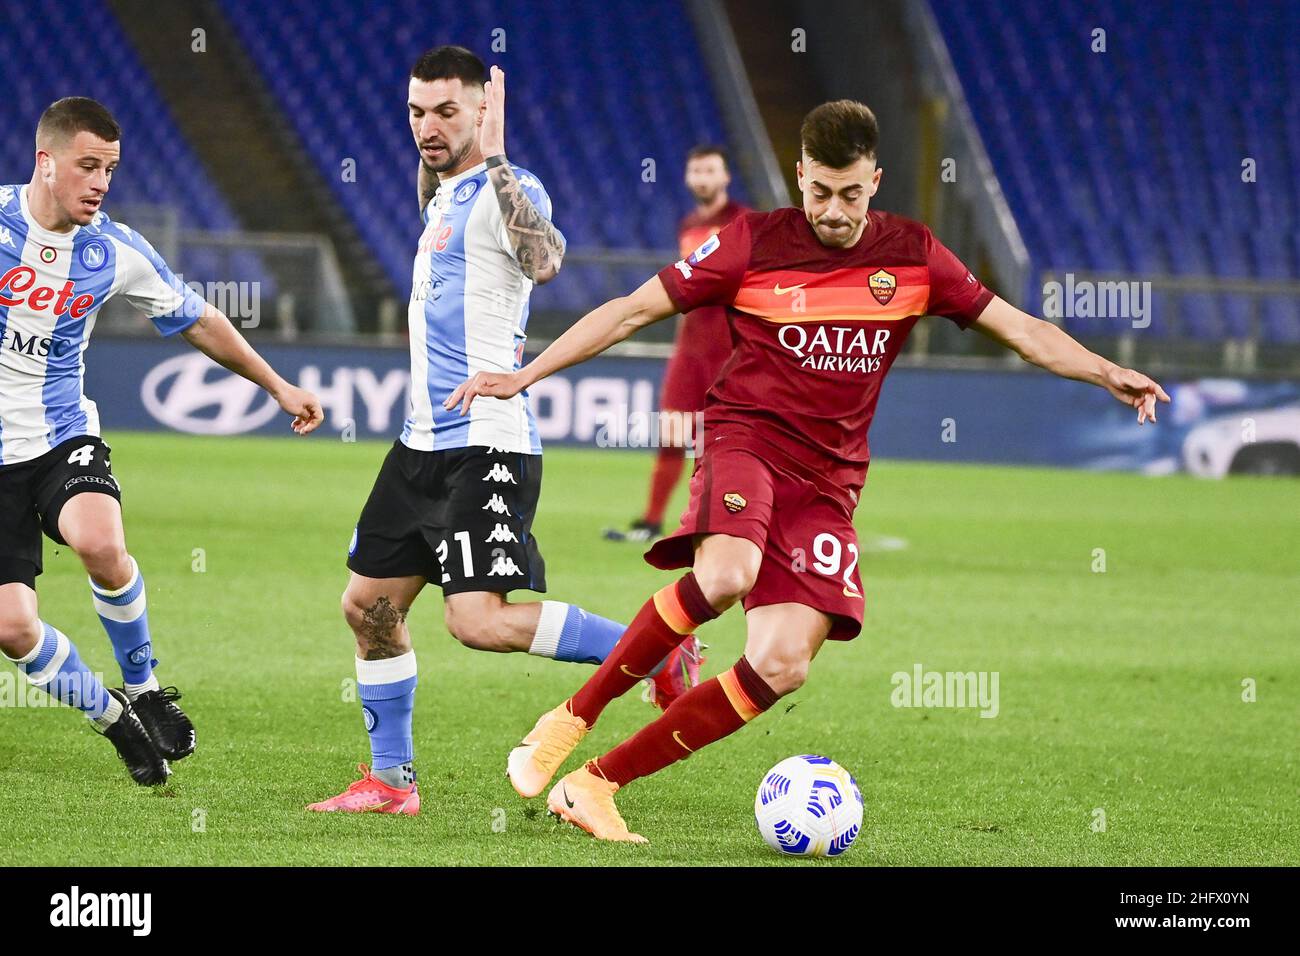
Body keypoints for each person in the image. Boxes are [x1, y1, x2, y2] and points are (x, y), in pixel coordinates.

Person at [447, 99, 1170, 842]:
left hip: (828, 484)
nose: (833, 211)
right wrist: (525, 373)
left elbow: (1021, 329)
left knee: (783, 664)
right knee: (725, 574)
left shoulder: (914, 256)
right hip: (746, 441)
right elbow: (633, 311)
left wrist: (1104, 370)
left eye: (850, 195)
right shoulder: (753, 243)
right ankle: (570, 718)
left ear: (875, 181)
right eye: (819, 192)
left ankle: (596, 784)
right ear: (799, 176)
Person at [308, 47, 693, 816]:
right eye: (416, 111)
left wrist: (498, 158)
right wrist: (458, 152)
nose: (427, 125)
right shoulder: (445, 196)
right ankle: (391, 784)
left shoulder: (506, 188)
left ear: (483, 111)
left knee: (475, 622)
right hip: (419, 445)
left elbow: (547, 260)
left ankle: (660, 648)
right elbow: (438, 180)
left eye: (447, 110)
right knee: (367, 609)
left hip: (486, 443)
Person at [0, 97, 324, 787]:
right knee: (12, 627)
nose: (99, 183)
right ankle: (112, 716)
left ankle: (144, 686)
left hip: (61, 436)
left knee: (100, 543)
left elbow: (200, 320)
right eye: (87, 166)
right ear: (45, 161)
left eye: (110, 170)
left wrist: (276, 386)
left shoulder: (113, 249)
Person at [604, 145, 748, 544]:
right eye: (696, 171)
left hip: (732, 349)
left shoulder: (744, 222)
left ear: (725, 177)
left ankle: (724, 522)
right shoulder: (688, 224)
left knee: (726, 441)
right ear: (688, 178)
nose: (702, 178)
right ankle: (651, 521)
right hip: (690, 347)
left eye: (710, 170)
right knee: (672, 434)